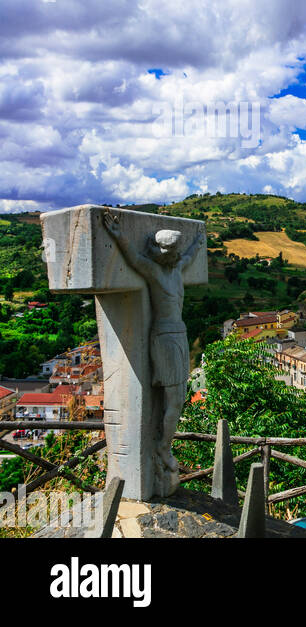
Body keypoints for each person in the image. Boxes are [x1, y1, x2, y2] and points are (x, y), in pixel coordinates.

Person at [101, 210, 204, 496]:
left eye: (175, 250)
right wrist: (119, 235)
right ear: (160, 251)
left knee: (178, 399)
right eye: (170, 249)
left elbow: (190, 256)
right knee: (174, 398)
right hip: (164, 338)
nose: (174, 254)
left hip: (179, 335)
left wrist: (198, 242)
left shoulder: (177, 267)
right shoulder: (153, 270)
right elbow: (134, 259)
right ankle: (162, 448)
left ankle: (162, 446)